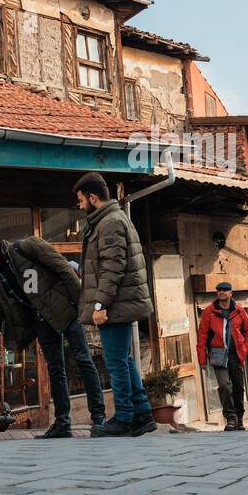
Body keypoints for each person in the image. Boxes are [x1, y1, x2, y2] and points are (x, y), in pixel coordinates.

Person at [0, 235, 105, 439]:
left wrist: (81, 305)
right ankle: (62, 424)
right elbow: (0, 309)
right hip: (40, 321)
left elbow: (64, 269)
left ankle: (99, 419)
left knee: (83, 359)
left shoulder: (27, 247)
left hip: (65, 311)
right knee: (55, 369)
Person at [73, 172, 155, 438]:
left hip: (116, 305)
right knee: (124, 359)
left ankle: (124, 417)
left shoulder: (109, 222)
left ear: (93, 197)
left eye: (81, 199)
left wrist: (100, 304)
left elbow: (112, 268)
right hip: (121, 303)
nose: (79, 204)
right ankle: (141, 414)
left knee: (116, 361)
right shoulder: (110, 219)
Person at [196, 281, 248, 431]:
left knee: (238, 387)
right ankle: (231, 417)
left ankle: (240, 417)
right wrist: (202, 359)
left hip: (236, 355)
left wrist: (244, 348)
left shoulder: (239, 310)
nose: (221, 292)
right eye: (219, 290)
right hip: (218, 354)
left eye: (224, 290)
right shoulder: (209, 311)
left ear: (230, 293)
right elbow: (201, 336)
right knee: (224, 386)